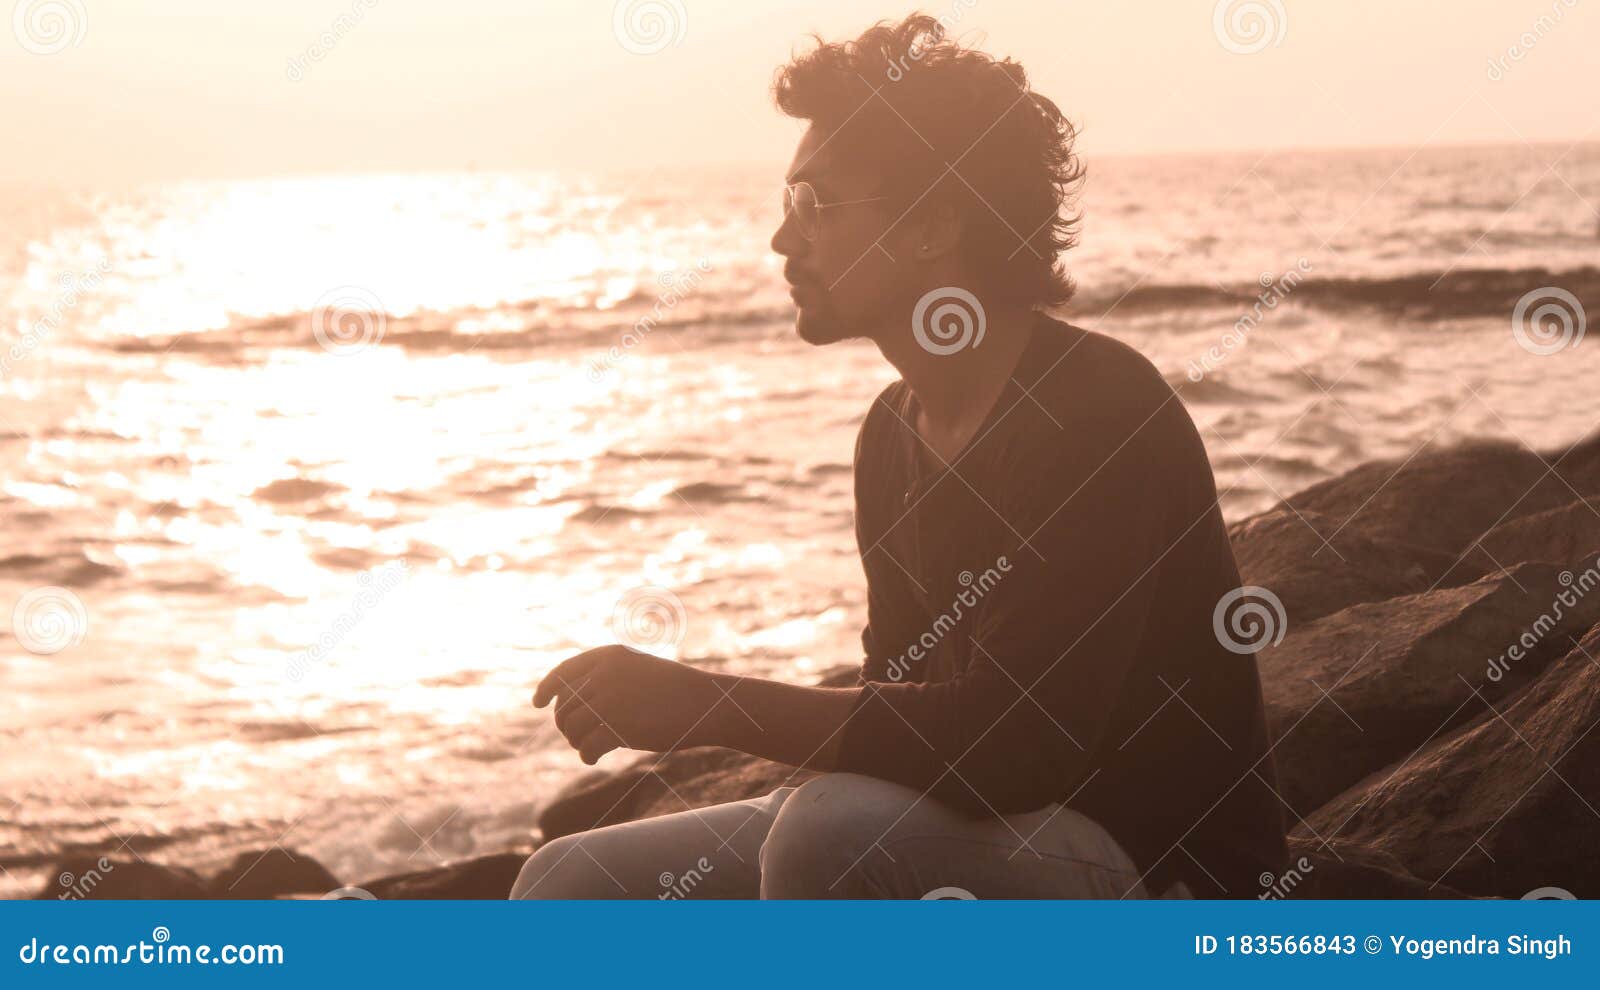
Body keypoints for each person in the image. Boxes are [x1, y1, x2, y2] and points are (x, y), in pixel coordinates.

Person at [512, 13, 1288, 900]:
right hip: (966, 834)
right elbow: (899, 706)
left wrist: (705, 704)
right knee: (572, 877)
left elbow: (1015, 750)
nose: (782, 240)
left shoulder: (1094, 411)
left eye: (815, 203)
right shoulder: (892, 430)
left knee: (830, 834)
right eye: (784, 205)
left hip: (1164, 871)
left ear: (933, 226)